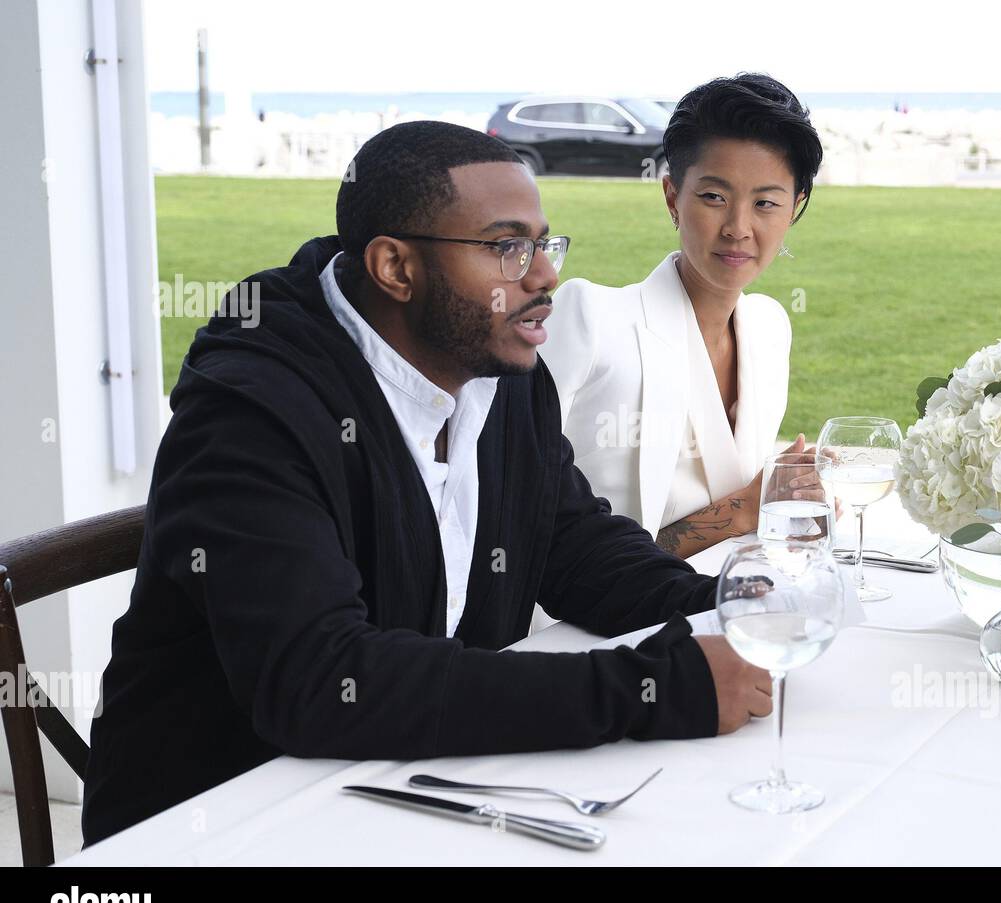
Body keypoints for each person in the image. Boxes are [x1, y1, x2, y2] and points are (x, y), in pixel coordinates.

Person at [82, 121, 772, 846]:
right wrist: (648, 689)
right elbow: (320, 681)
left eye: (543, 243)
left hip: (415, 792)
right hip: (224, 821)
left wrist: (732, 604)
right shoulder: (251, 411)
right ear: (395, 267)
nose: (543, 276)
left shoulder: (495, 367)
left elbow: (570, 543)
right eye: (507, 247)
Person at [539, 74, 824, 559]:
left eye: (765, 204)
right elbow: (523, 517)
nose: (738, 228)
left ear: (794, 208)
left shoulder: (769, 327)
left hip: (734, 607)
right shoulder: (591, 318)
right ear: (672, 197)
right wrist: (746, 506)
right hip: (594, 624)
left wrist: (785, 485)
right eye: (714, 197)